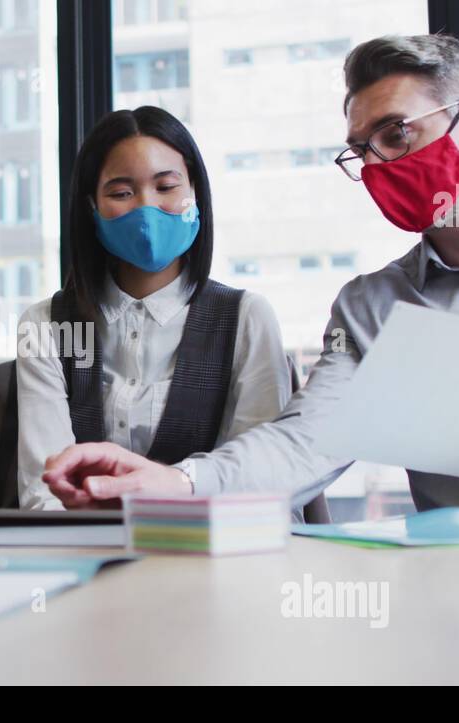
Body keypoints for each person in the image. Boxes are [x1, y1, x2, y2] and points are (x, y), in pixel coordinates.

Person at [42, 34, 459, 549]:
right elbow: (303, 444)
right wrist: (176, 480)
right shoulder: (372, 307)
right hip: (455, 613)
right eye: (362, 150)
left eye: (396, 134)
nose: (378, 165)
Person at [15, 106, 289, 509]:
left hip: (212, 557)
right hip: (83, 555)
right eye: (122, 193)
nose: (146, 209)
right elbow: (42, 493)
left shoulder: (245, 319)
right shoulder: (45, 326)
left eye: (166, 187)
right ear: (91, 206)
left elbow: (259, 480)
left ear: (195, 193)